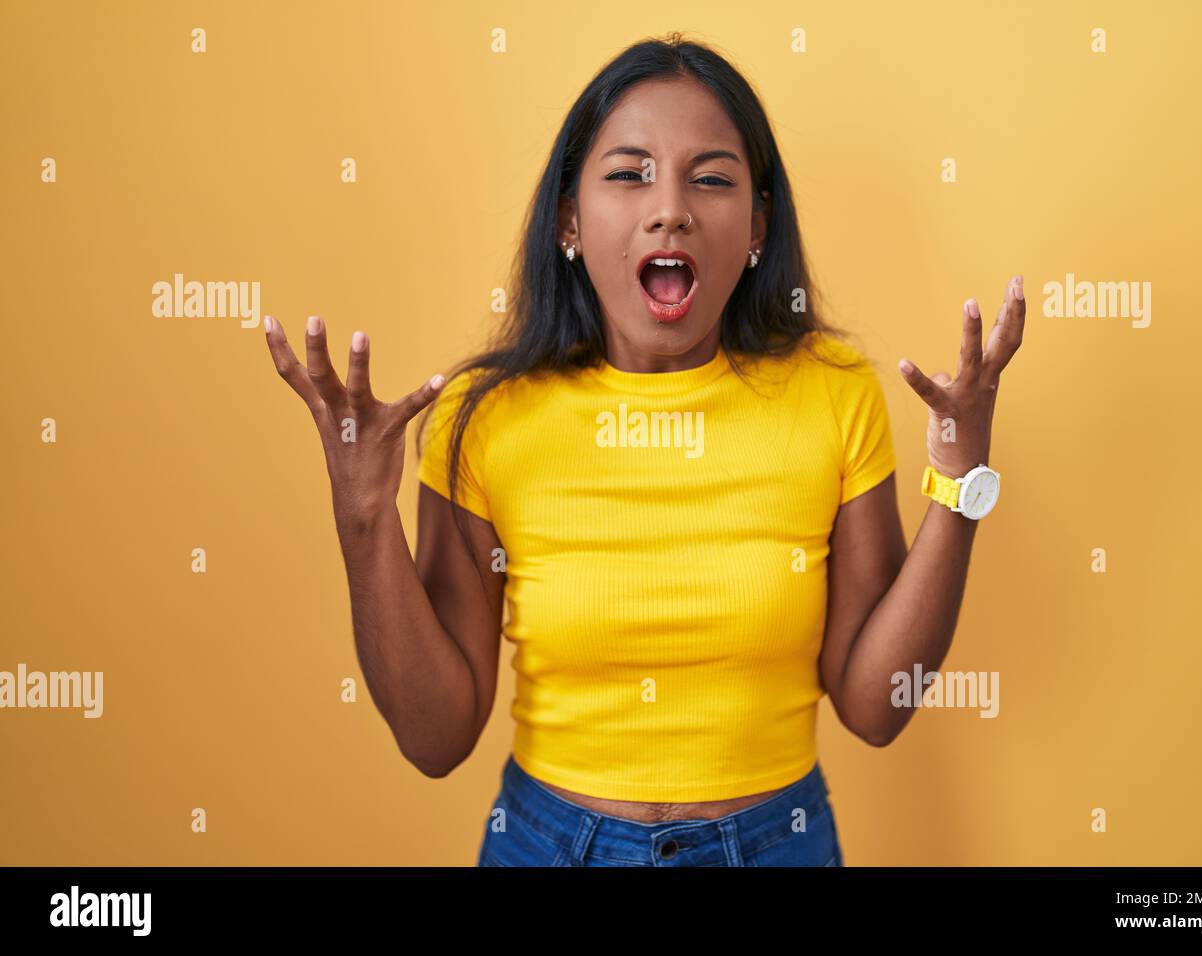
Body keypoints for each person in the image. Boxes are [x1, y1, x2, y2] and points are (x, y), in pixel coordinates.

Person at [262, 33, 1025, 867]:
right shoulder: (485, 421)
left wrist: (959, 483)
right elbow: (434, 736)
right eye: (628, 174)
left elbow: (875, 708)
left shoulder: (832, 392)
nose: (671, 207)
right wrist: (363, 517)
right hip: (549, 845)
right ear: (569, 221)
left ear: (759, 226)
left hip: (778, 845)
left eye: (712, 178)